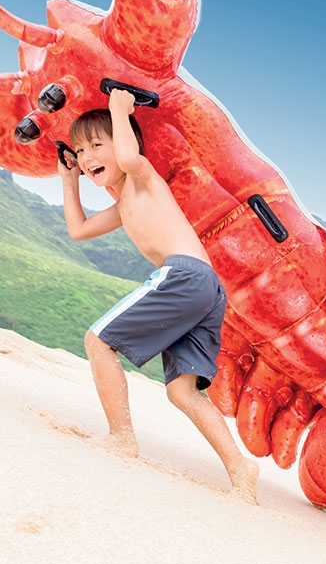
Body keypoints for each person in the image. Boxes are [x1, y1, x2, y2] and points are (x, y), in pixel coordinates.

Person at [57, 88, 259, 503]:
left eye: (98, 144)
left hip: (185, 277)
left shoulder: (143, 178)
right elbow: (78, 230)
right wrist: (68, 180)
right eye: (80, 149)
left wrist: (119, 107)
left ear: (124, 140)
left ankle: (121, 437)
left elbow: (130, 159)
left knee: (98, 341)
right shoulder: (121, 205)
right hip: (206, 289)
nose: (86, 154)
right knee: (181, 391)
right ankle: (241, 468)